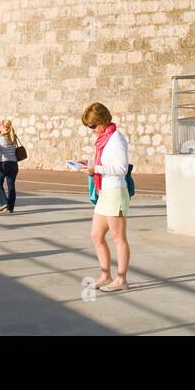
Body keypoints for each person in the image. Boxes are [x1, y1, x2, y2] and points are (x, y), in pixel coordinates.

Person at [78, 102, 130, 292]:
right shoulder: (104, 139)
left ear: (102, 121)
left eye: (93, 126)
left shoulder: (116, 139)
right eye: (89, 127)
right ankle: (105, 275)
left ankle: (121, 279)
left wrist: (96, 169)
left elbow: (121, 169)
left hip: (116, 191)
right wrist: (90, 163)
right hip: (105, 192)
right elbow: (106, 163)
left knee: (118, 237)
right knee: (96, 235)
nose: (91, 130)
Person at [0, 119, 21, 213]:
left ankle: (4, 202)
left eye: (0, 125)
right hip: (13, 164)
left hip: (3, 164)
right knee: (11, 186)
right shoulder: (13, 137)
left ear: (3, 127)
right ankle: (10, 208)